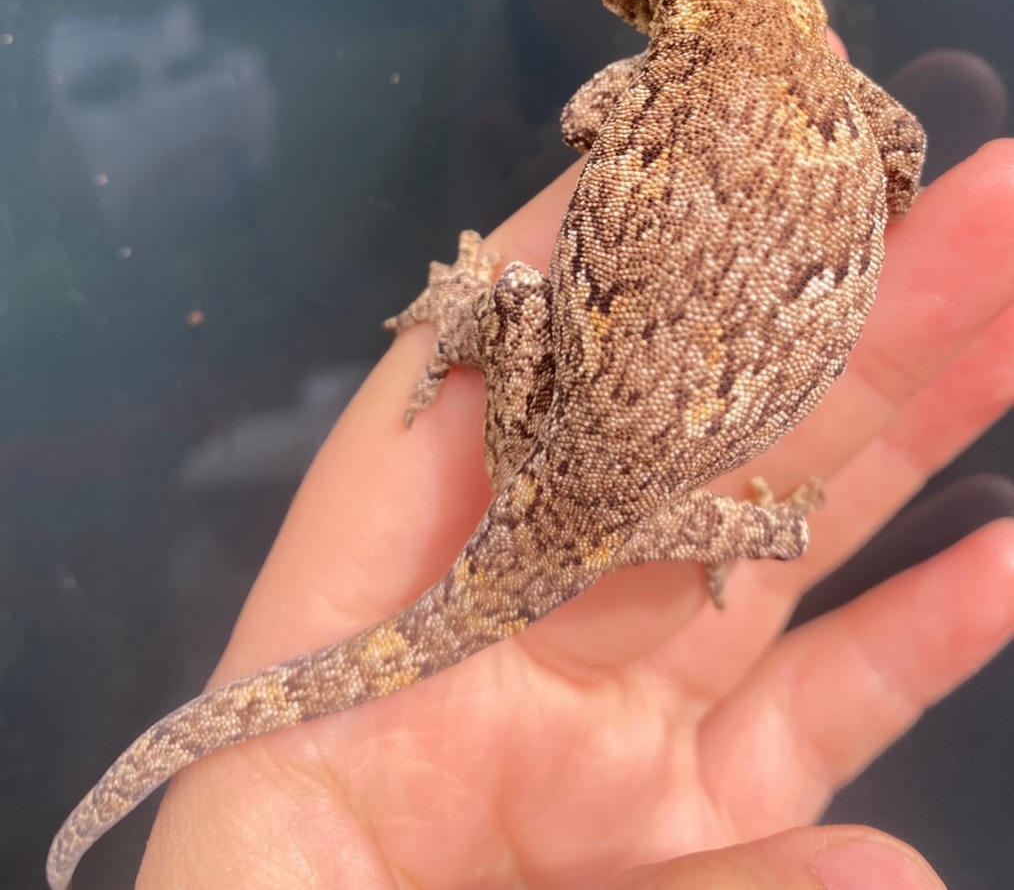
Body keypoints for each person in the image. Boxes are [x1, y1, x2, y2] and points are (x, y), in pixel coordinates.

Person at [137, 111, 1014, 890]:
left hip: (601, 487)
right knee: (776, 529)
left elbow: (584, 131)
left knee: (516, 295)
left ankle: (481, 333)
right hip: (616, 494)